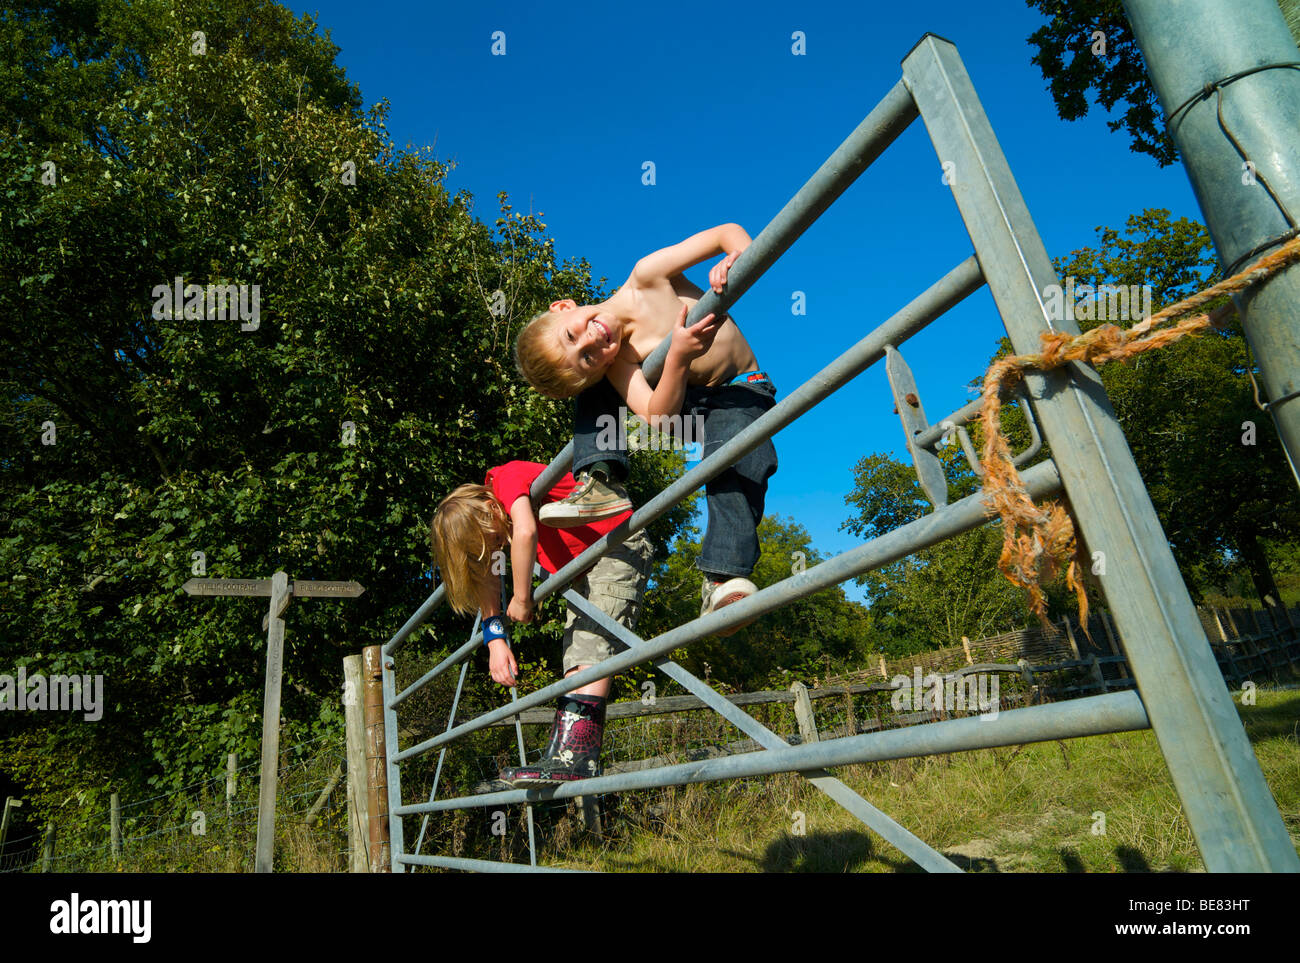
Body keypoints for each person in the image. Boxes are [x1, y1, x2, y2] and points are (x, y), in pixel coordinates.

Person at [514, 223, 775, 633]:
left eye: (572, 334)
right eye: (586, 357)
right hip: (685, 407)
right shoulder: (617, 363)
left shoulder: (647, 275)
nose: (591, 341)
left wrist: (736, 258)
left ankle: (722, 577)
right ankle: (601, 478)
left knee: (738, 456)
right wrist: (677, 358)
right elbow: (658, 418)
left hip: (740, 391)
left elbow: (728, 233)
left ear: (564, 306)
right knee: (596, 392)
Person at [429, 461, 652, 786]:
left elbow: (526, 531)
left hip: (617, 546)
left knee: (588, 647)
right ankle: (566, 753)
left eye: (491, 542)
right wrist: (495, 640)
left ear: (491, 507)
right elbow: (490, 572)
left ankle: (575, 756)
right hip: (586, 565)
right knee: (576, 653)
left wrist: (521, 598)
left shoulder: (504, 480)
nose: (495, 550)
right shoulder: (491, 514)